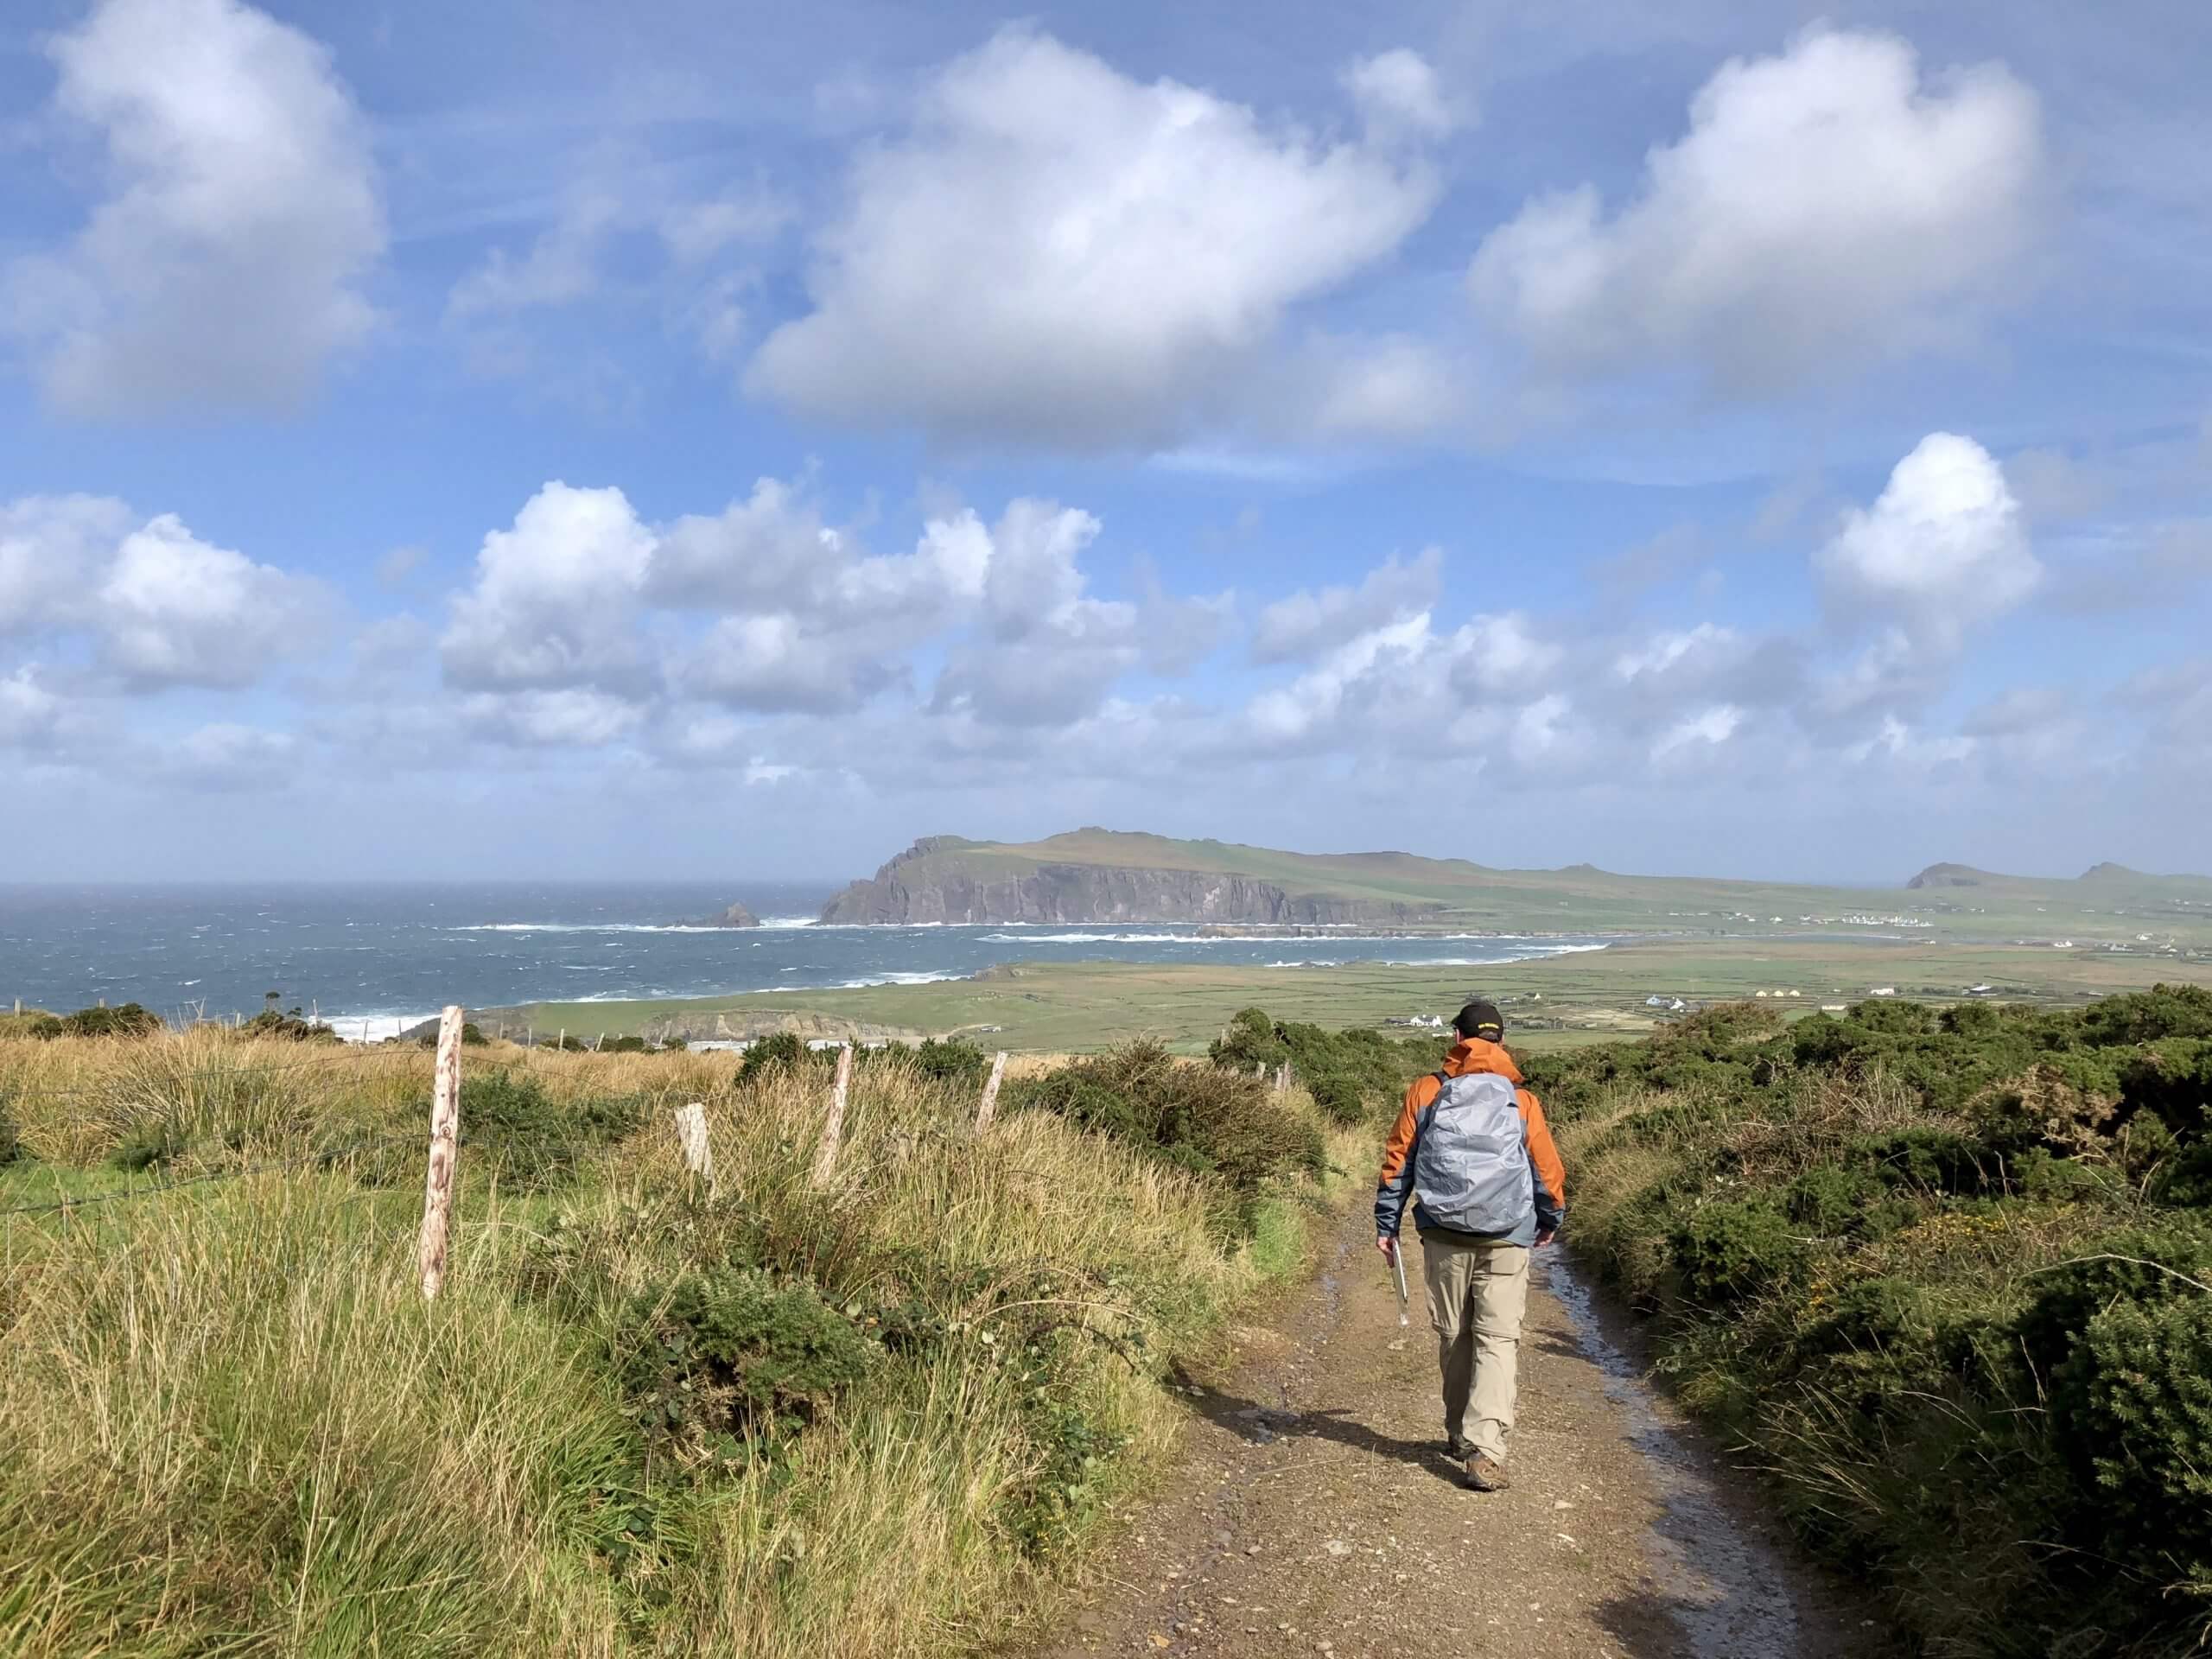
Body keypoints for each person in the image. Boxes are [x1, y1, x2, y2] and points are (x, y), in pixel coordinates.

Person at [1373, 998, 1566, 1491]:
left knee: (1454, 1334)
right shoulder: (1521, 1100)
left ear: (1457, 1039)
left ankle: (1459, 1434)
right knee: (1498, 1341)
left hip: (1442, 1232)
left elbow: (1400, 1160)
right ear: (1501, 1041)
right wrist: (1550, 1218)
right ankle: (1487, 1451)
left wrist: (1387, 1223)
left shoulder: (1426, 1092)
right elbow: (1545, 1169)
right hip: (1507, 1235)